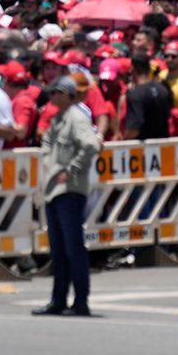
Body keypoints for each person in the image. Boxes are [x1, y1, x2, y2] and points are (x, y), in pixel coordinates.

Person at [35, 76, 102, 317]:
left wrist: (72, 169)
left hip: (70, 190)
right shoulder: (58, 119)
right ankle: (59, 299)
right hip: (55, 189)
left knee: (73, 248)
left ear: (67, 94)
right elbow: (47, 145)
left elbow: (91, 145)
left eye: (56, 93)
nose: (51, 97)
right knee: (59, 249)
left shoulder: (76, 117)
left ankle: (80, 301)